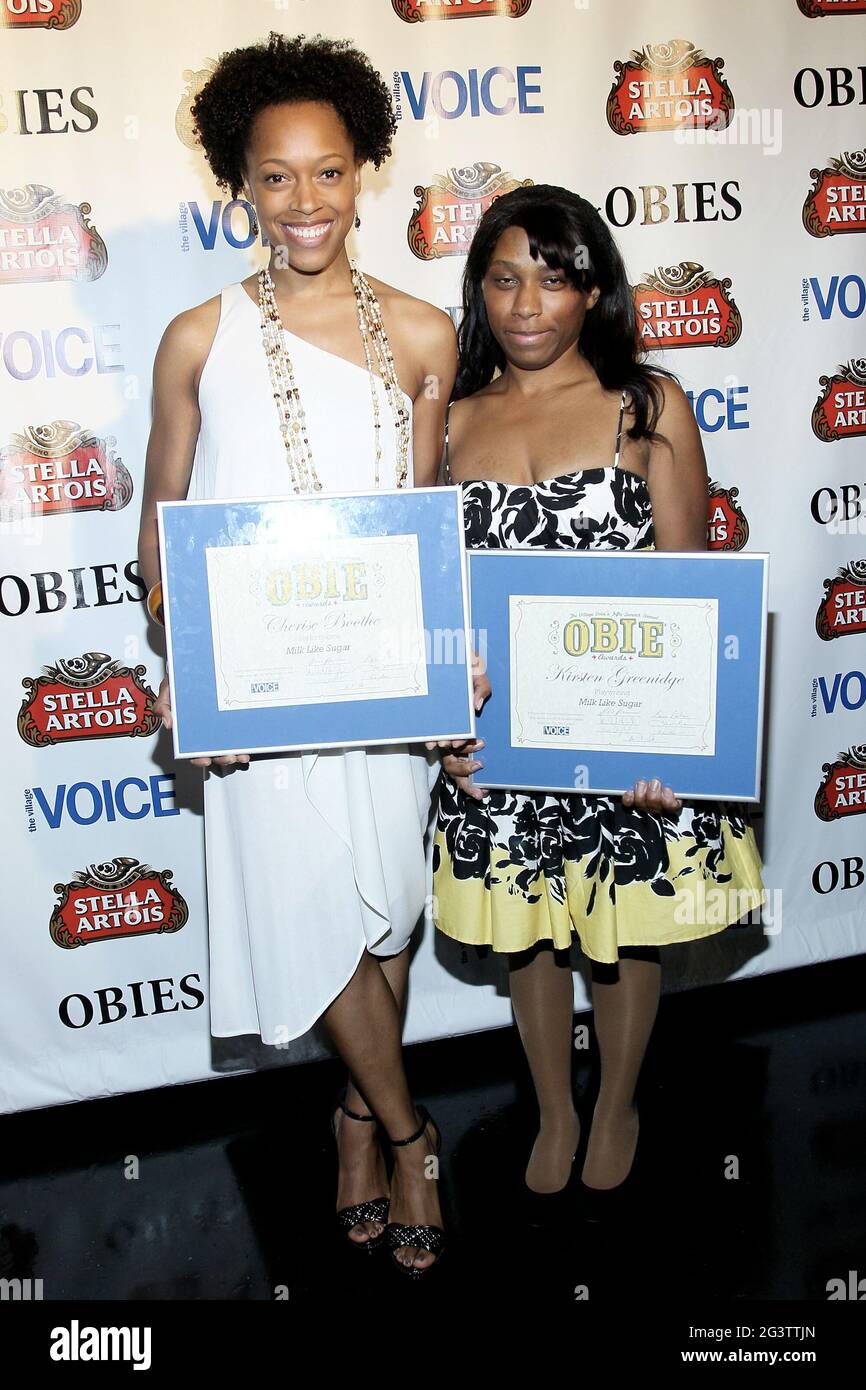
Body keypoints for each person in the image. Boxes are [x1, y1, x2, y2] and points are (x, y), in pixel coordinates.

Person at [138, 32, 477, 1276]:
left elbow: (429, 519)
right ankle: (411, 1130)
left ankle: (349, 1122)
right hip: (261, 696)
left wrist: (450, 666)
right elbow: (160, 533)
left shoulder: (429, 332)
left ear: (365, 172)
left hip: (384, 682)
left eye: (326, 173)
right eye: (274, 178)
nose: (303, 203)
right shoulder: (196, 335)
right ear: (239, 182)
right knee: (309, 911)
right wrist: (200, 650)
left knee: (380, 910)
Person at [431, 184, 765, 1215]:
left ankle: (614, 1102)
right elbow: (431, 593)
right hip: (500, 746)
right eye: (503, 277)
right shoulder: (446, 420)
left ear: (592, 289)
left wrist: (682, 742)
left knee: (619, 930)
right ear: (477, 291)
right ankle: (553, 1108)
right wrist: (444, 716)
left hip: (625, 737)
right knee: (527, 932)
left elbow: (689, 580)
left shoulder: (646, 403)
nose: (526, 303)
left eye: (554, 276)